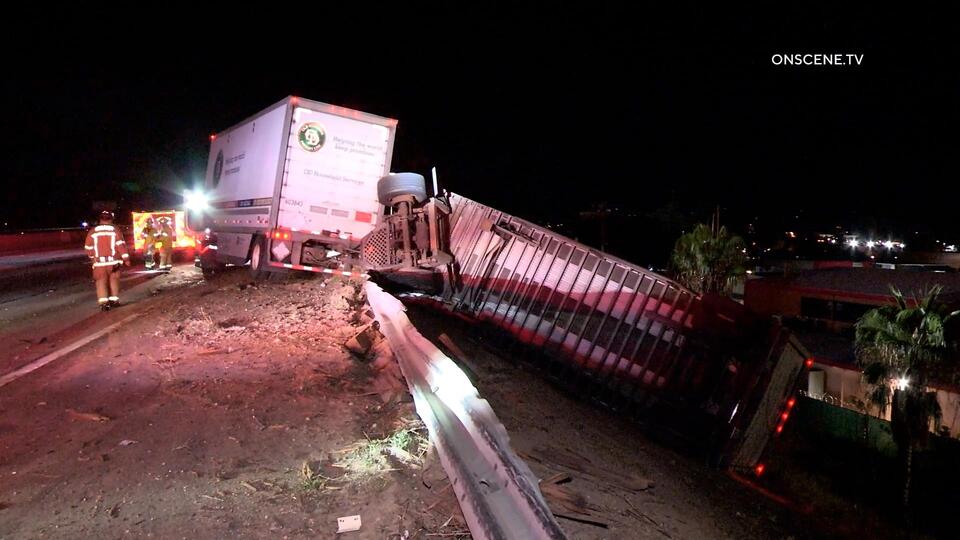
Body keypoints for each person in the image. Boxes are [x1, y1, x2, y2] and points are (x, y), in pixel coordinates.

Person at [83, 210, 130, 310]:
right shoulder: (115, 230)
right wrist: (126, 259)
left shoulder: (93, 231)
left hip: (99, 263)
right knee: (114, 280)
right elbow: (120, 246)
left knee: (100, 282)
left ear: (100, 219)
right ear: (111, 219)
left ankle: (104, 303)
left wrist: (93, 258)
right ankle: (114, 300)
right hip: (114, 262)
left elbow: (88, 248)